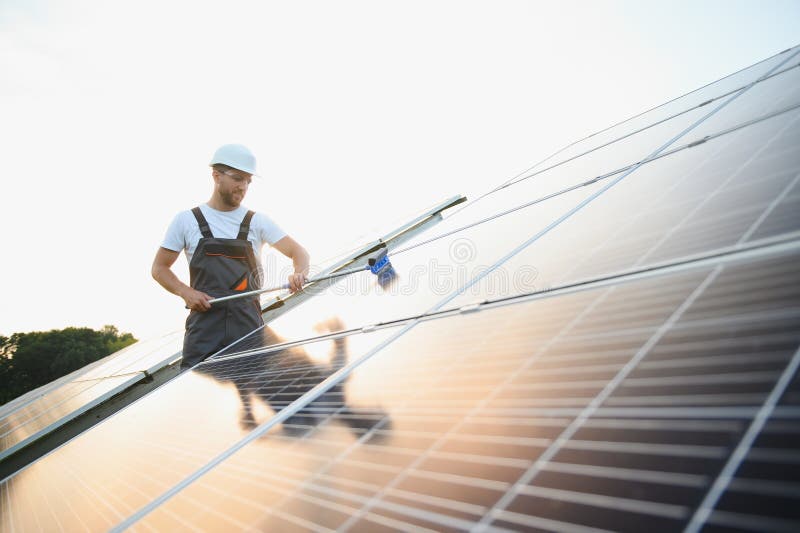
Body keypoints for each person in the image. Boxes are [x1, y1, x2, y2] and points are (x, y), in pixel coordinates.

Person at [152, 144, 309, 369]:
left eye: (248, 181)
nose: (243, 186)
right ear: (216, 175)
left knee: (250, 398)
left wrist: (299, 273)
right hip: (203, 330)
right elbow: (159, 268)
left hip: (248, 329)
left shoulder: (258, 221)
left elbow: (299, 253)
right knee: (197, 393)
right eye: (237, 178)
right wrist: (185, 292)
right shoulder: (186, 220)